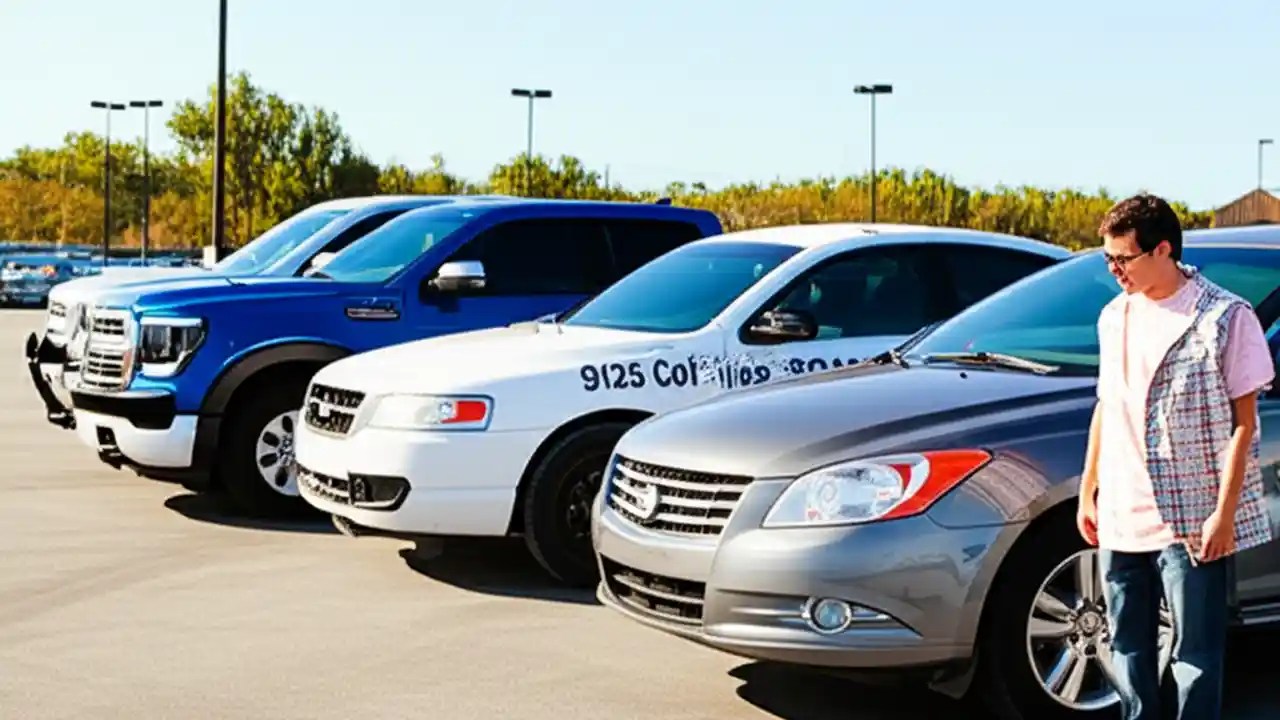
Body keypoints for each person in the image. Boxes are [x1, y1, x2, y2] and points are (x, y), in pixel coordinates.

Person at [1076, 193, 1275, 719]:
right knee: (1127, 649)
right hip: (1121, 513)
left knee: (1196, 655)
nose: (1114, 269)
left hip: (1189, 518)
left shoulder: (1225, 318)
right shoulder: (1113, 315)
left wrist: (1224, 513)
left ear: (1163, 249)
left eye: (1124, 258)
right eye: (1108, 259)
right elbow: (1107, 403)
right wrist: (1087, 487)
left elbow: (1244, 425)